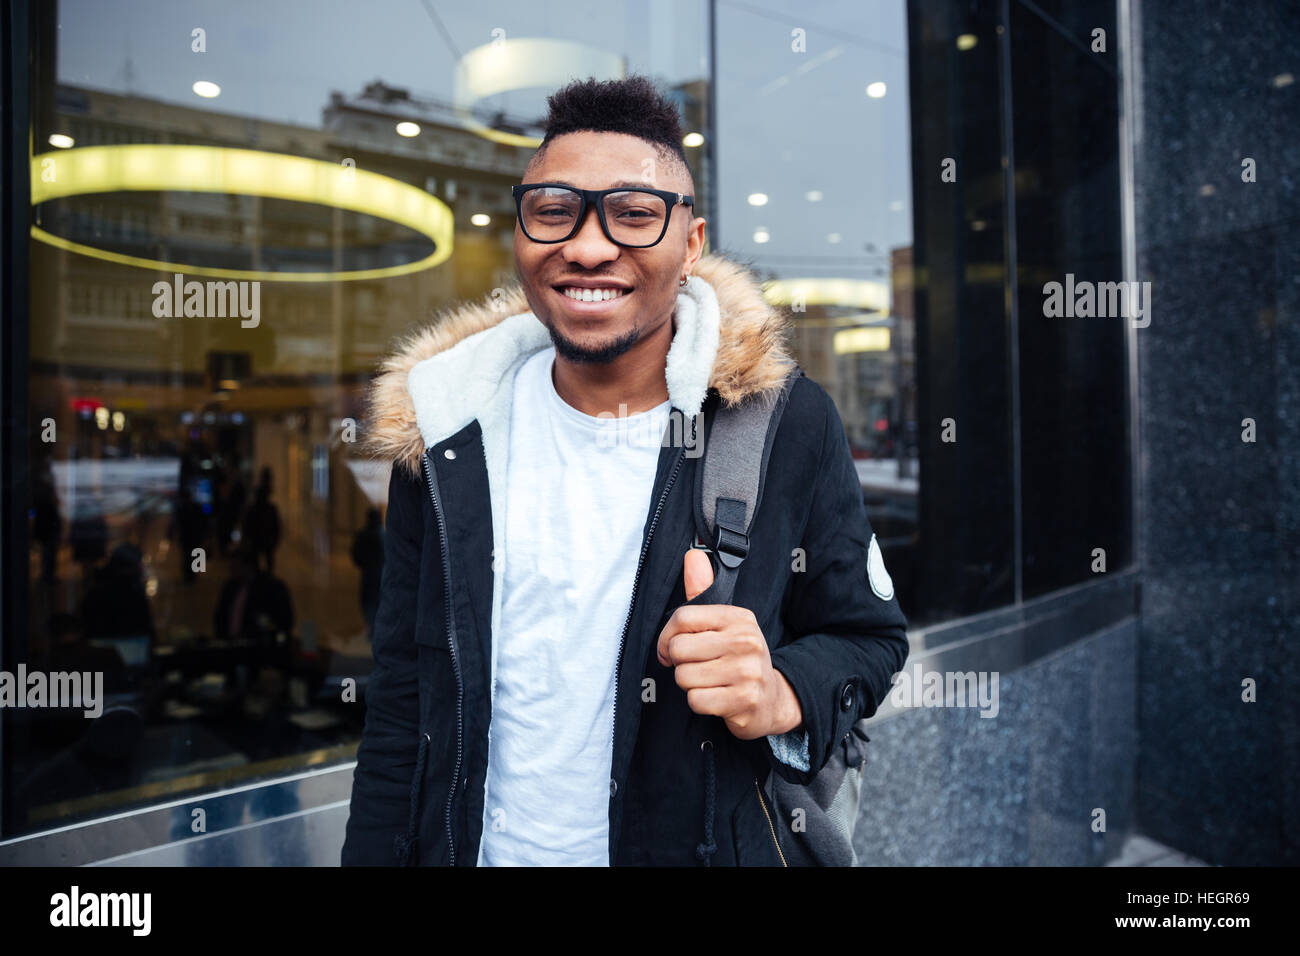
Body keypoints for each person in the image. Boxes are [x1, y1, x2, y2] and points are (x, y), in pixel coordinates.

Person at [342, 75, 908, 867]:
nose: (587, 246)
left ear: (692, 244)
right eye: (552, 212)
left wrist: (778, 691)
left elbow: (868, 640)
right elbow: (404, 706)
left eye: (635, 215)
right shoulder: (445, 430)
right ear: (520, 232)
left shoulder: (782, 423)